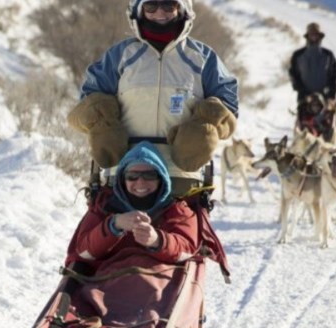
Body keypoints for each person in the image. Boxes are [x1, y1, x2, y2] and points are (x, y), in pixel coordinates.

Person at [68, 0, 239, 196]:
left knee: (181, 219)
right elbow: (88, 100)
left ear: (182, 8)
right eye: (151, 6)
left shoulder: (203, 58)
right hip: (127, 174)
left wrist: (206, 125)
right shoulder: (120, 55)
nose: (160, 13)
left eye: (168, 5)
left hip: (182, 176)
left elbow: (228, 106)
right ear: (139, 10)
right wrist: (101, 124)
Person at [60, 142, 201, 328]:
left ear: (161, 177)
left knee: (152, 300)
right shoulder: (105, 208)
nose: (140, 182)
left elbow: (187, 249)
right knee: (90, 302)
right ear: (122, 179)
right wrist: (113, 225)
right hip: (109, 279)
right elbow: (83, 252)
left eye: (149, 175)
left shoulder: (176, 210)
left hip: (155, 281)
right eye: (132, 176)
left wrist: (158, 240)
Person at [289, 22, 336, 109]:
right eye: (312, 34)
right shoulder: (298, 55)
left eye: (316, 34)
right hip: (305, 99)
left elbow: (334, 75)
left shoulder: (328, 55)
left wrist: (332, 94)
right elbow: (293, 75)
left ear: (320, 36)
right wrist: (302, 91)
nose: (314, 36)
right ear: (307, 36)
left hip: (325, 100)